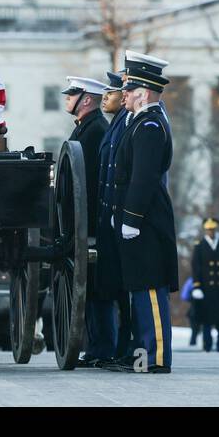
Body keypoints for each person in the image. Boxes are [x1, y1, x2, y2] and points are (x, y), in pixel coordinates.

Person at [108, 51, 177, 373]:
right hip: (136, 216)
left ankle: (157, 356)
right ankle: (143, 353)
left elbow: (144, 177)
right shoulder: (139, 123)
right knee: (139, 287)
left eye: (128, 89)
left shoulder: (149, 125)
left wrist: (131, 218)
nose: (123, 95)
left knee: (150, 287)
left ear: (143, 93)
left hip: (146, 218)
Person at [58, 76, 110, 367]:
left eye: (72, 94)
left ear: (86, 99)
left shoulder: (94, 131)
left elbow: (89, 183)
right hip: (79, 224)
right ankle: (95, 347)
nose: (67, 98)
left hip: (88, 223)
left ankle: (101, 347)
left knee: (96, 290)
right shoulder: (85, 130)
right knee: (89, 290)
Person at [94, 70, 131, 363]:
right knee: (115, 287)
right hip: (110, 216)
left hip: (120, 217)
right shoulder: (115, 125)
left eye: (111, 92)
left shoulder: (125, 124)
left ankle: (126, 348)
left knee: (124, 291)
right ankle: (115, 349)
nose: (104, 97)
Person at [190, 217, 219, 352]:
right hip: (206, 288)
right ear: (205, 230)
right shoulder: (199, 247)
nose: (211, 232)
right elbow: (196, 267)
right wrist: (197, 286)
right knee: (206, 319)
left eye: (213, 229)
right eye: (209, 229)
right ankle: (207, 344)